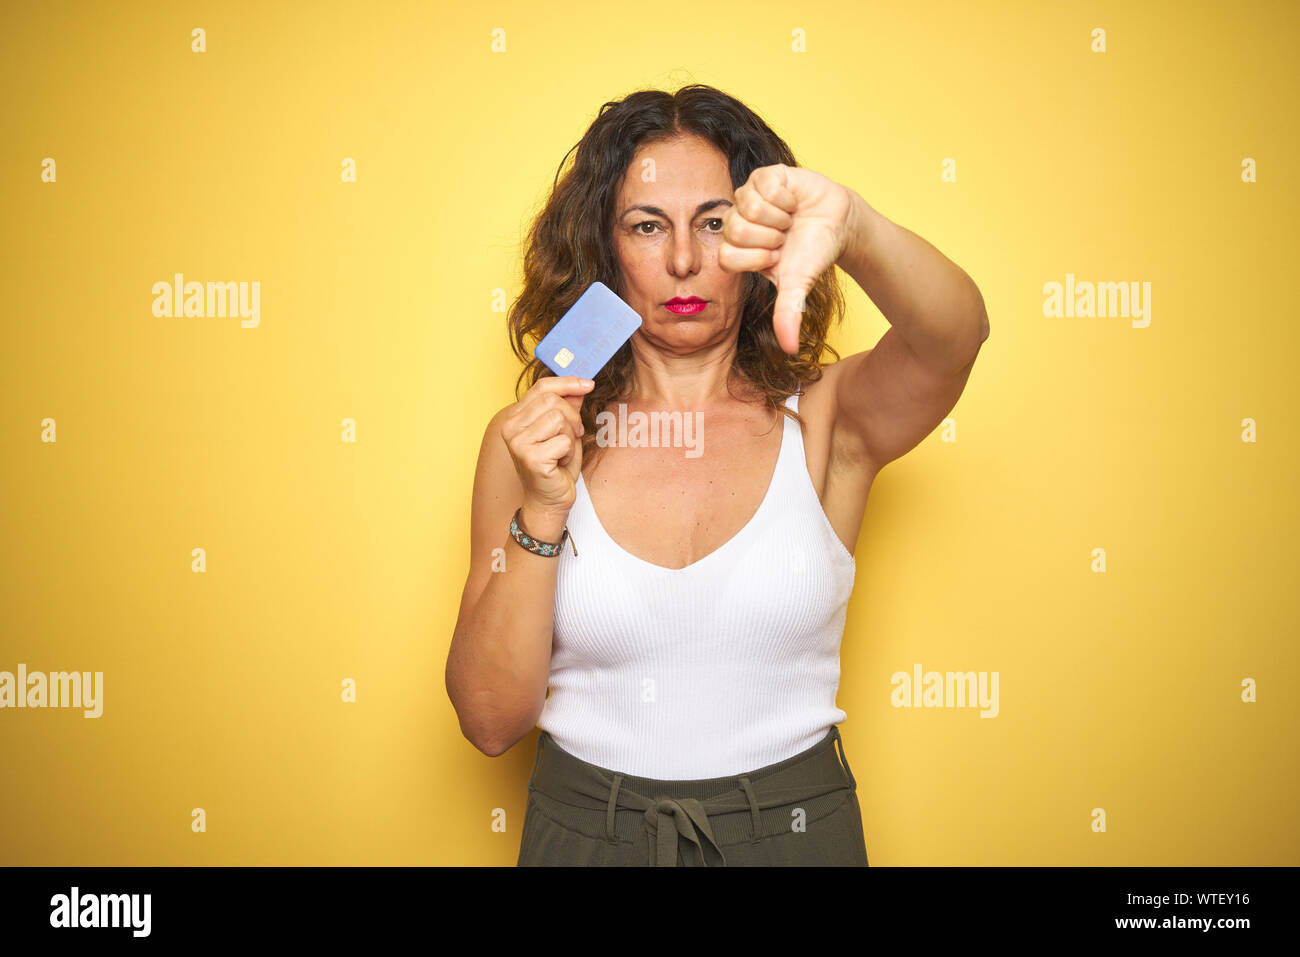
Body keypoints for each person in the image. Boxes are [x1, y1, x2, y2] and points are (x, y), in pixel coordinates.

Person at [445, 84, 989, 866]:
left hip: (794, 834)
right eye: (646, 225)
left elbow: (957, 337)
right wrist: (541, 508)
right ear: (605, 250)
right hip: (585, 835)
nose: (683, 261)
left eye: (713, 222)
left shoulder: (827, 419)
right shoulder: (529, 444)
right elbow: (490, 722)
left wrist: (855, 225)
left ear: (762, 244)